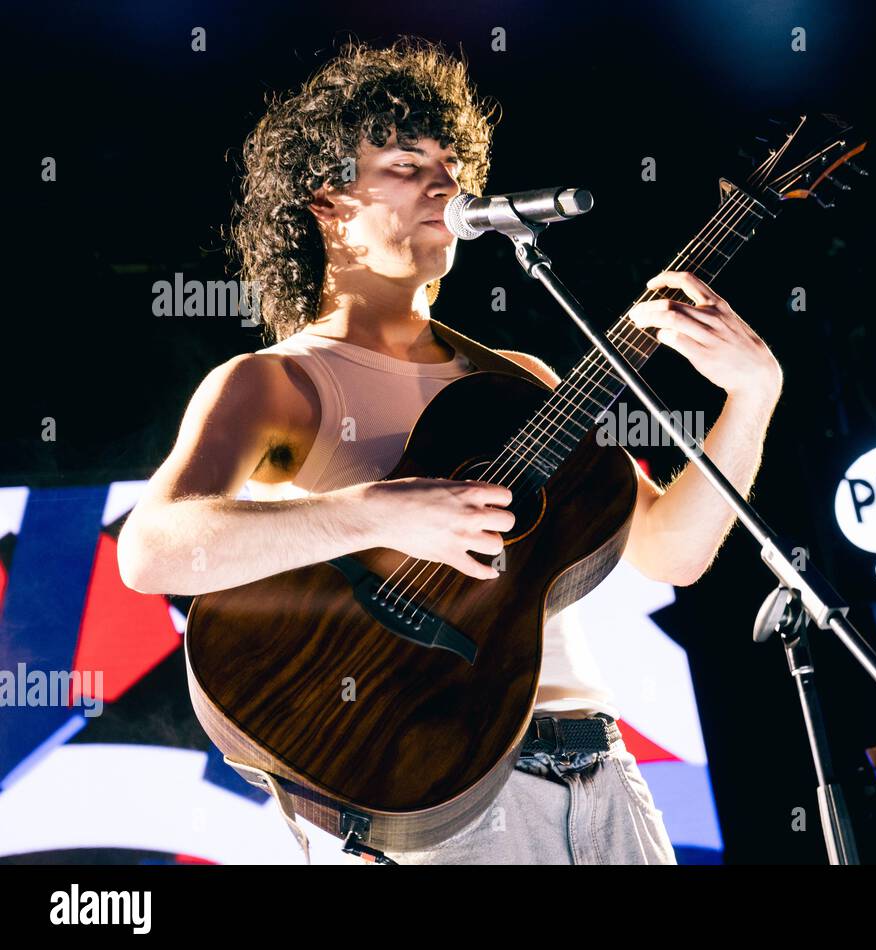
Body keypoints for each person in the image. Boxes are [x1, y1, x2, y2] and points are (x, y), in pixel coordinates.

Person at [117, 37, 783, 864]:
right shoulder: (274, 383)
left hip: (607, 779)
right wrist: (376, 513)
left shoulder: (525, 381)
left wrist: (751, 400)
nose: (445, 184)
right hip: (433, 792)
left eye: (451, 164)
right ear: (328, 203)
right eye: (406, 164)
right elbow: (152, 551)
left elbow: (668, 554)